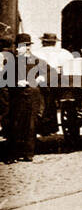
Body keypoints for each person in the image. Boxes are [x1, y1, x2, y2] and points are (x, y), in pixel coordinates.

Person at [3, 34, 44, 163]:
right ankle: (13, 154)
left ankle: (28, 153)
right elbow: (4, 79)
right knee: (15, 125)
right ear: (16, 48)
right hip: (17, 96)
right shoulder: (10, 61)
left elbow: (47, 74)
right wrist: (16, 82)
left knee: (31, 125)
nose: (26, 48)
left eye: (28, 46)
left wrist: (40, 79)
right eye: (23, 46)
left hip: (32, 95)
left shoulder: (36, 61)